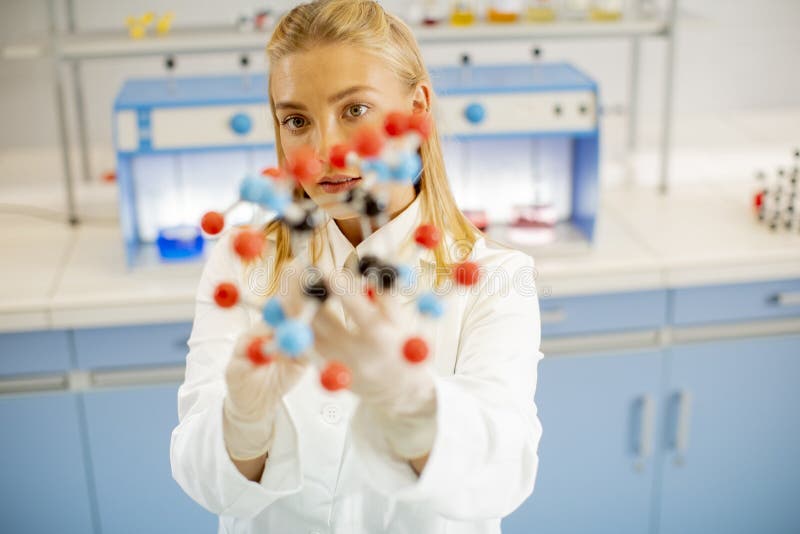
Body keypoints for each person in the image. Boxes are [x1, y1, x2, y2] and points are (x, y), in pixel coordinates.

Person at [170, 0, 544, 532]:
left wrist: (414, 411)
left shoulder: (495, 278)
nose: (326, 149)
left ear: (417, 109)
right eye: (297, 120)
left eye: (355, 110)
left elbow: (502, 478)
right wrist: (242, 423)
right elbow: (201, 479)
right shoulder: (242, 260)